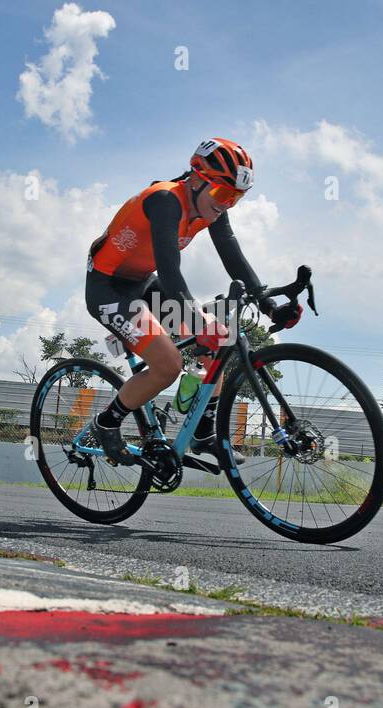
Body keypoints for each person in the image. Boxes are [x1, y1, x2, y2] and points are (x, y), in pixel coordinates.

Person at [84, 138, 302, 466]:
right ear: (198, 179)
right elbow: (171, 272)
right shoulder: (165, 201)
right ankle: (107, 422)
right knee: (169, 365)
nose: (225, 205)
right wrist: (199, 322)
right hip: (109, 289)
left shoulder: (210, 207)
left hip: (143, 283)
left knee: (219, 342)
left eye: (235, 198)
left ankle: (203, 433)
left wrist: (269, 306)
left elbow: (233, 257)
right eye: (221, 194)